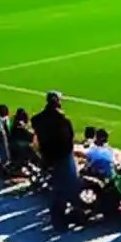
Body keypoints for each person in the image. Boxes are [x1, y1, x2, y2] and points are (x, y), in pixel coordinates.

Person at [31, 91, 79, 230]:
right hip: (62, 157)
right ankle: (64, 218)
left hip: (48, 157)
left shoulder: (38, 119)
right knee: (67, 187)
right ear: (57, 102)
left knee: (56, 187)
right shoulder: (62, 121)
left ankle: (58, 218)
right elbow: (68, 139)